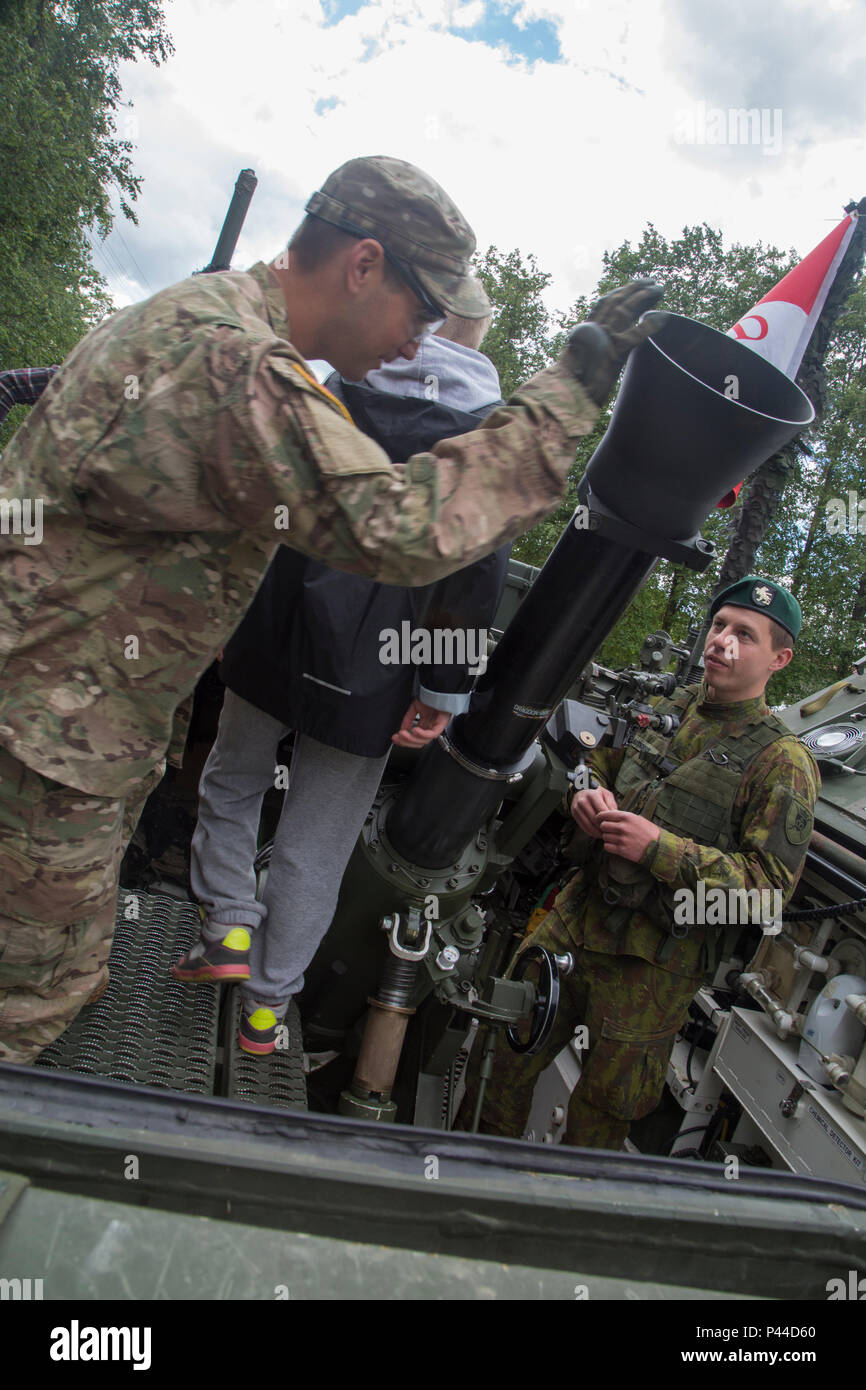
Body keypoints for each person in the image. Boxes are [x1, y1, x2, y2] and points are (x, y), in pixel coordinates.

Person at [0, 151, 664, 1063]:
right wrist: (566, 395)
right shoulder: (240, 365)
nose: (415, 344)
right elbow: (400, 526)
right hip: (50, 746)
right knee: (28, 1004)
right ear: (363, 265)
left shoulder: (202, 316)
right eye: (420, 312)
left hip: (59, 721)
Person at [171, 305, 511, 1054]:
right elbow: (477, 569)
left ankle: (227, 927)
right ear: (478, 334)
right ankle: (267, 1010)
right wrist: (440, 689)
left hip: (280, 622)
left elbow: (267, 498)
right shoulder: (486, 435)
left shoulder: (340, 383)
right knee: (316, 846)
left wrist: (236, 616)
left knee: (233, 780)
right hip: (382, 664)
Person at [457, 577, 820, 1150]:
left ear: (779, 657)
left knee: (601, 1113)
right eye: (720, 625)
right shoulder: (666, 707)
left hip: (655, 964)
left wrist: (658, 849)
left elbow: (769, 893)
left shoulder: (781, 762)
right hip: (577, 917)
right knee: (502, 1050)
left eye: (744, 635)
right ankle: (462, 1185)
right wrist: (585, 792)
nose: (721, 641)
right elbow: (595, 759)